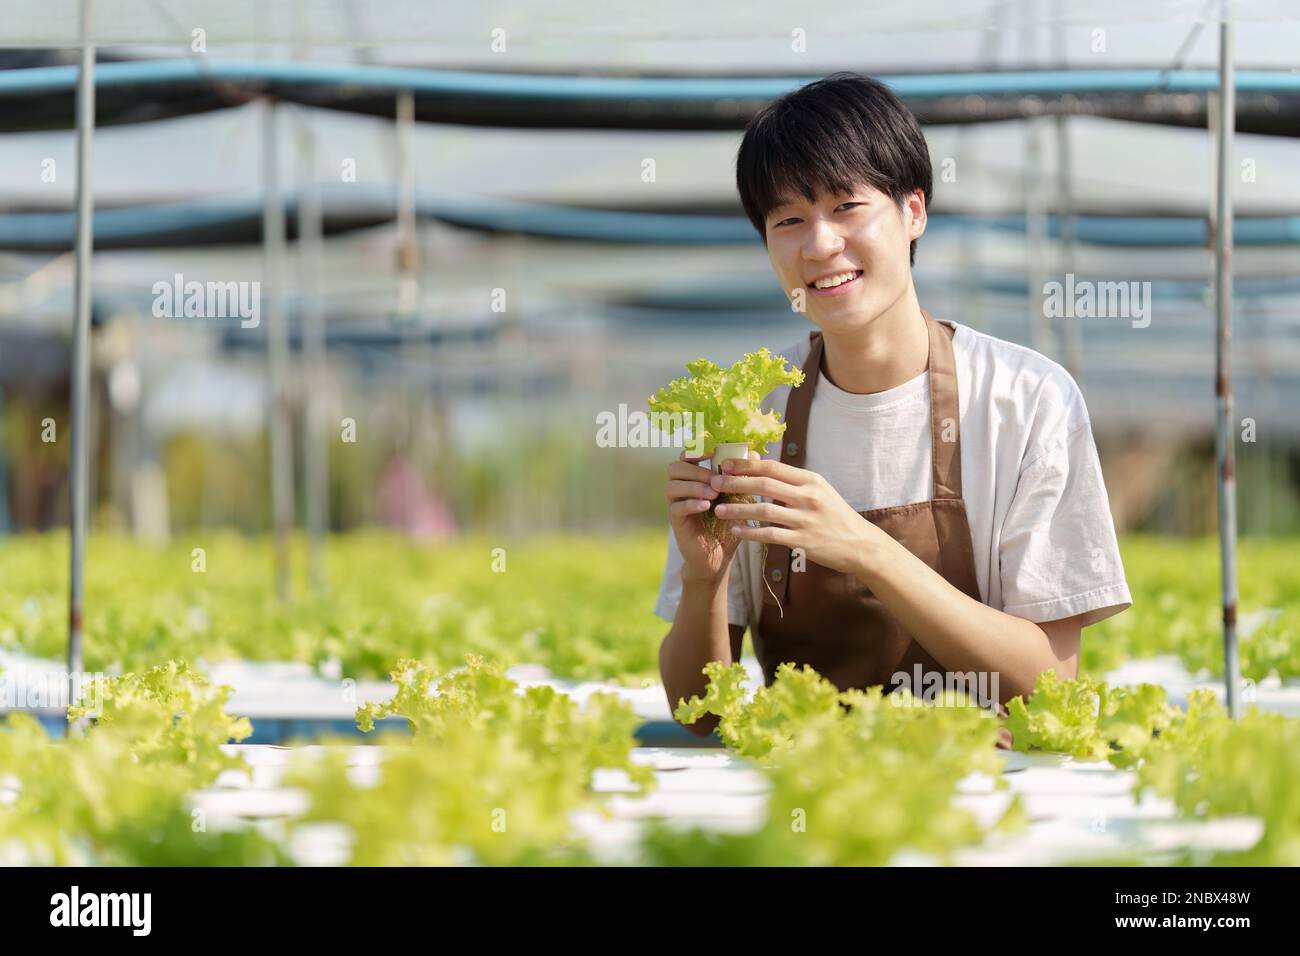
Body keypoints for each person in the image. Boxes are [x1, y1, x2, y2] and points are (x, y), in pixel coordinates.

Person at [654, 73, 1132, 740]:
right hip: (806, 794)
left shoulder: (1026, 400)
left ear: (914, 212)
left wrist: (867, 551)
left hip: (986, 794)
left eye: (847, 207)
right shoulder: (751, 410)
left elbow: (1048, 686)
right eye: (788, 220)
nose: (819, 245)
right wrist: (706, 583)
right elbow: (700, 713)